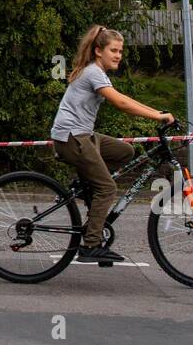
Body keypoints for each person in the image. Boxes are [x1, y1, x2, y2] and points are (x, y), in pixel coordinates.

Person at [50, 24, 174, 263]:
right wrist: (159, 116)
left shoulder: (97, 72)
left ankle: (85, 183)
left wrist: (160, 112)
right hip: (72, 137)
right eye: (114, 50)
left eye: (120, 51)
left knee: (125, 150)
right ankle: (91, 244)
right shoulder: (93, 72)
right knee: (107, 188)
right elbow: (122, 104)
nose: (118, 55)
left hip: (81, 135)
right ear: (99, 51)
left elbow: (124, 99)